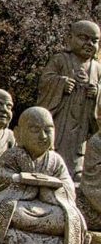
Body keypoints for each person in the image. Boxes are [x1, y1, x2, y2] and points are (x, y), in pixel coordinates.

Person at [0, 107, 87, 244]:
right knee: (8, 212)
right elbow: (0, 177)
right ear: (19, 133)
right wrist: (18, 179)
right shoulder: (12, 155)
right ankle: (12, 237)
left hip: (47, 207)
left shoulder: (55, 160)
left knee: (65, 218)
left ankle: (56, 243)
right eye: (35, 130)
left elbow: (68, 185)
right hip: (20, 205)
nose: (43, 136)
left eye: (48, 130)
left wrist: (49, 187)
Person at [37, 20, 101, 180]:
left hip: (84, 118)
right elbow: (45, 81)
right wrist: (61, 83)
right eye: (84, 38)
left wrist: (97, 92)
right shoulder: (60, 59)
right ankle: (52, 169)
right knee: (57, 140)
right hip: (61, 114)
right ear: (70, 39)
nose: (89, 44)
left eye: (94, 40)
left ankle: (76, 172)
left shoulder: (97, 67)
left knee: (79, 148)